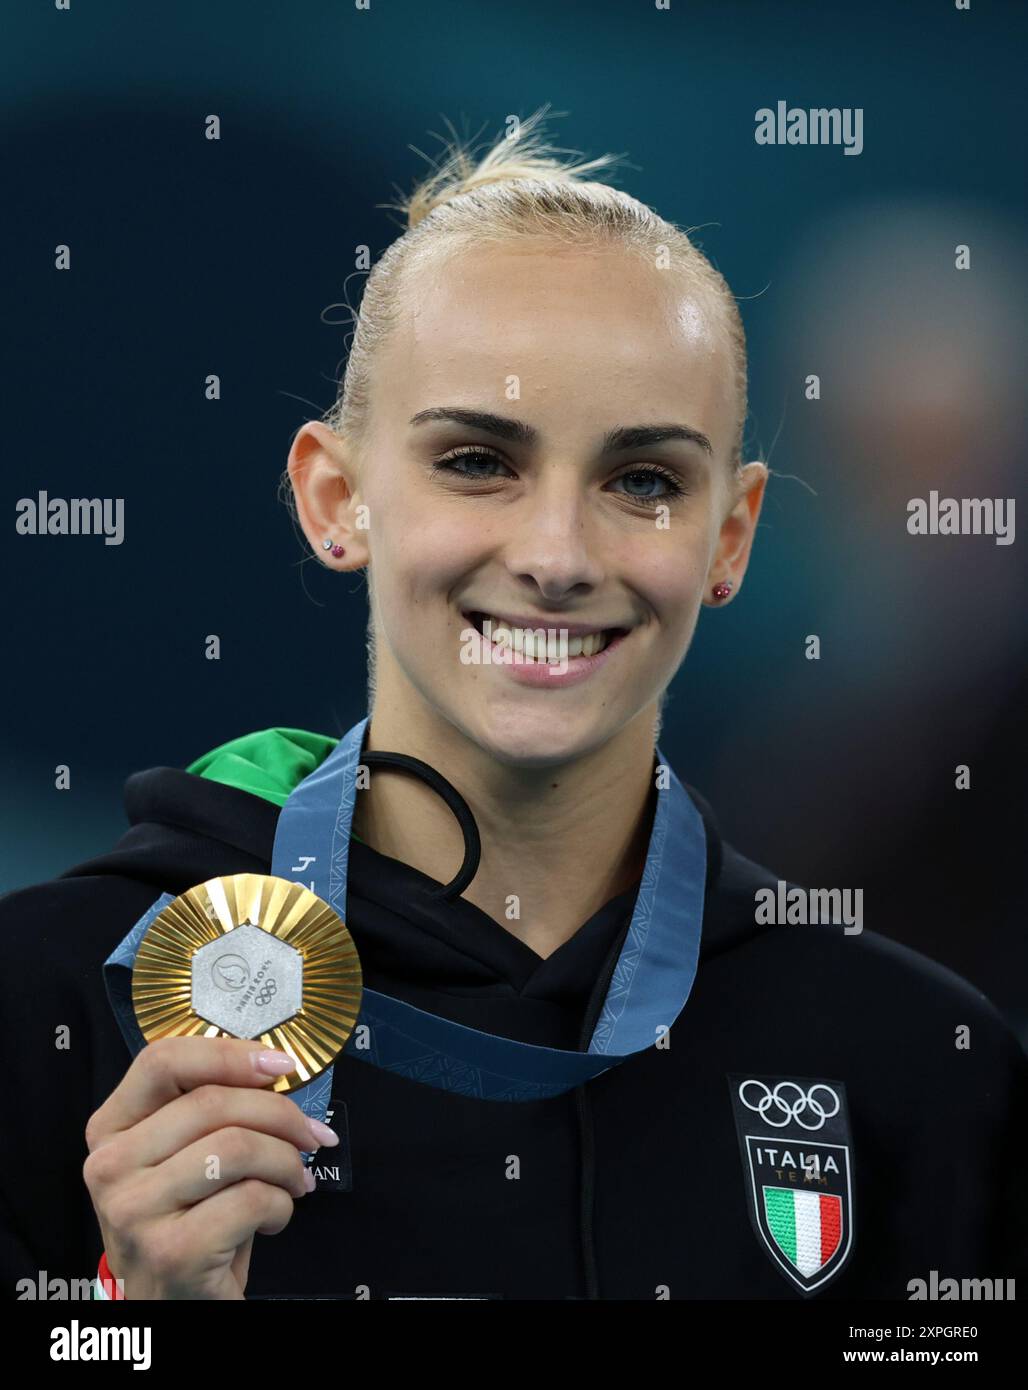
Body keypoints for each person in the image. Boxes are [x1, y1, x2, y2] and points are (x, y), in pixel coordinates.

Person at [1, 109, 1025, 1303]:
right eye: (477, 461)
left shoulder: (915, 1061)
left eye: (641, 480)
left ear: (727, 538)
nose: (555, 552)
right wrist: (133, 1321)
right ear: (334, 498)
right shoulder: (56, 1002)